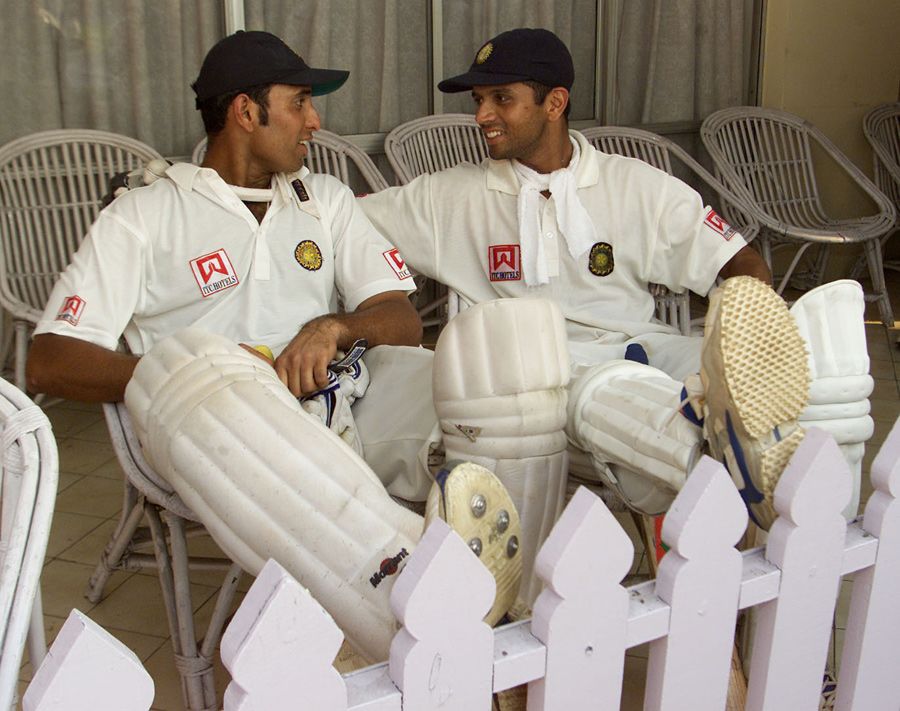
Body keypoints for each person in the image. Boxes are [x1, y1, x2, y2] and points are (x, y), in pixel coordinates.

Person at [25, 30, 523, 662]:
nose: (315, 121)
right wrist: (191, 375)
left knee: (486, 399)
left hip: (342, 395)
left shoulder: (327, 200)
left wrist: (335, 328)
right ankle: (413, 597)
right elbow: (52, 356)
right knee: (214, 379)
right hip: (212, 422)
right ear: (245, 112)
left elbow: (397, 315)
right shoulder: (145, 215)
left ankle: (499, 602)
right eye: (300, 103)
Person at [360, 27, 873, 562]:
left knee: (759, 373)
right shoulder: (451, 197)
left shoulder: (634, 185)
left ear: (555, 102)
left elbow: (740, 263)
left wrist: (745, 325)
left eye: (501, 99)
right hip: (536, 381)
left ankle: (775, 508)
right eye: (480, 100)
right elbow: (346, 221)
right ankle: (746, 470)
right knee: (601, 391)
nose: (482, 115)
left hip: (642, 348)